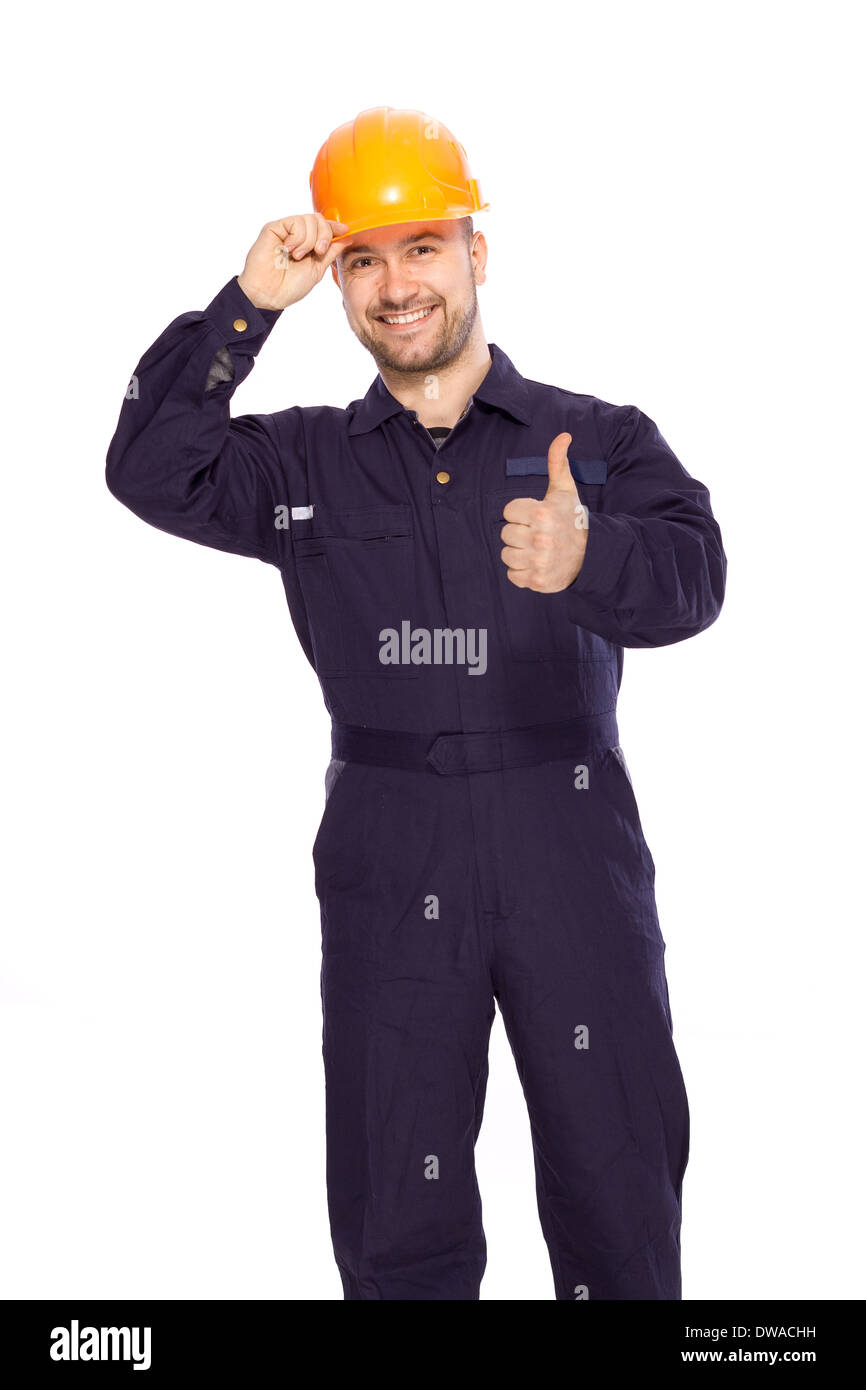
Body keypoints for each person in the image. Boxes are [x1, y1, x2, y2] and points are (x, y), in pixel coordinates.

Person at [106, 105, 727, 1301]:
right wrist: (245, 309)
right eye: (362, 260)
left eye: (422, 246)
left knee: (616, 1175)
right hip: (390, 844)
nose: (396, 285)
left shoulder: (593, 440)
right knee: (398, 1197)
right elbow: (149, 467)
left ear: (476, 254)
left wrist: (588, 559)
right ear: (336, 280)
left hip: (569, 838)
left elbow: (696, 579)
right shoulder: (299, 463)